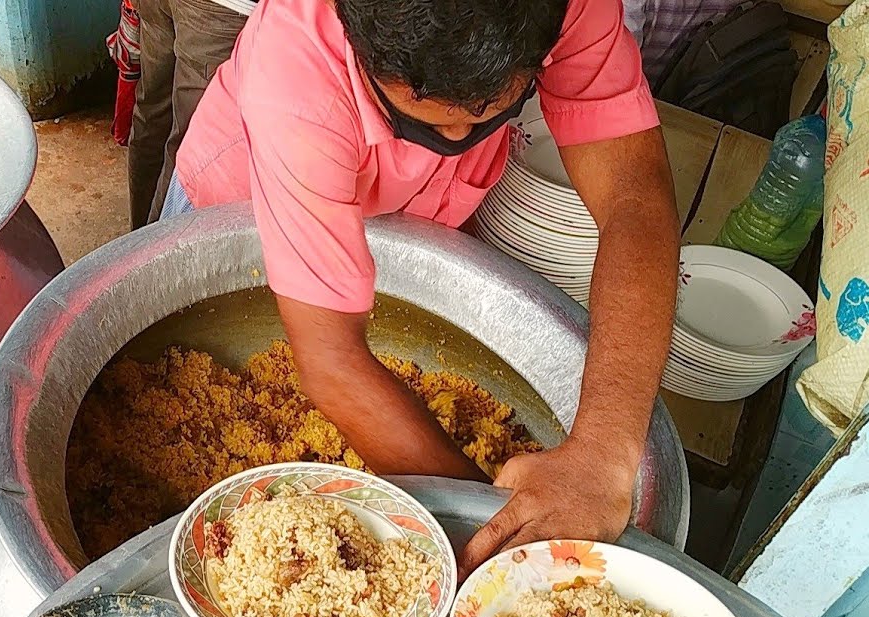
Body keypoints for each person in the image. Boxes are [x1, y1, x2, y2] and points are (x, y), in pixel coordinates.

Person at [163, 0, 681, 572]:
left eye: (487, 115)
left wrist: (603, 455)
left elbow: (635, 199)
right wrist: (490, 541)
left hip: (418, 210)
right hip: (249, 208)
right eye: (418, 122)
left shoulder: (568, 5)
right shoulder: (294, 66)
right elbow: (331, 360)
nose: (458, 133)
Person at [126, 0, 255, 229]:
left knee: (152, 115)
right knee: (188, 150)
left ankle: (134, 245)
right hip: (221, 10)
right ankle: (148, 256)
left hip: (199, 10)